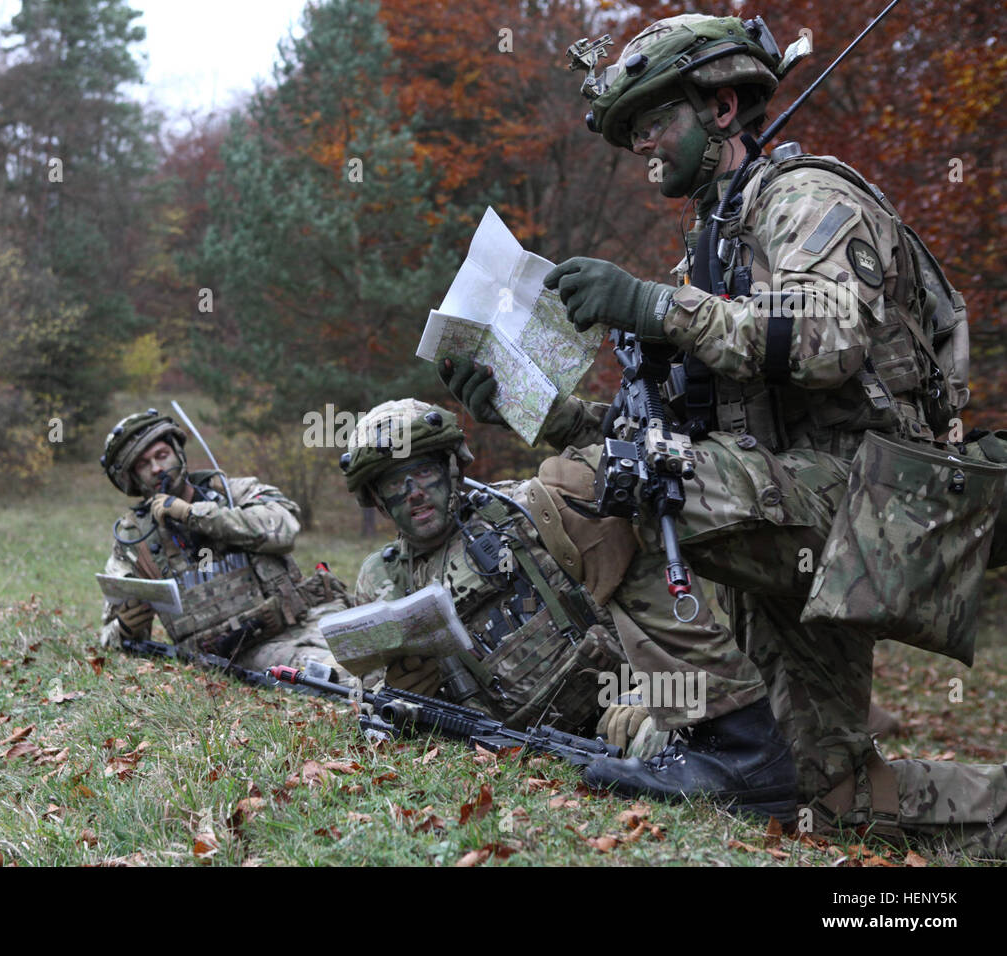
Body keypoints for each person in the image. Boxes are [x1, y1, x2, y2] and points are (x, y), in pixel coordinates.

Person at [446, 13, 1006, 855]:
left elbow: (823, 340)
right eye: (631, 131)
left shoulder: (808, 199)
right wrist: (526, 409)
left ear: (721, 109)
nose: (642, 145)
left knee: (600, 490)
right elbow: (655, 430)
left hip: (862, 507)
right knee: (833, 796)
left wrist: (650, 304)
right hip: (787, 511)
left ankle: (728, 744)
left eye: (655, 120)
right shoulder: (714, 243)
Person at [339, 398, 765, 794]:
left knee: (694, 751)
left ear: (452, 468)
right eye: (396, 481)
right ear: (377, 499)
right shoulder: (382, 579)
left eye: (424, 472)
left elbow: (640, 594)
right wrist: (401, 693)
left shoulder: (524, 509)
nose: (414, 491)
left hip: (614, 706)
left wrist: (645, 695)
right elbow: (375, 716)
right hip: (501, 745)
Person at [97, 408, 351, 678]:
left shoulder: (234, 492)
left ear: (177, 452)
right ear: (133, 478)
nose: (157, 468)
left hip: (311, 616)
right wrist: (125, 627)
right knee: (340, 673)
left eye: (161, 455)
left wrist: (193, 514)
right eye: (143, 464)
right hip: (255, 649)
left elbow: (284, 529)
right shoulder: (135, 538)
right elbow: (109, 635)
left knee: (376, 653)